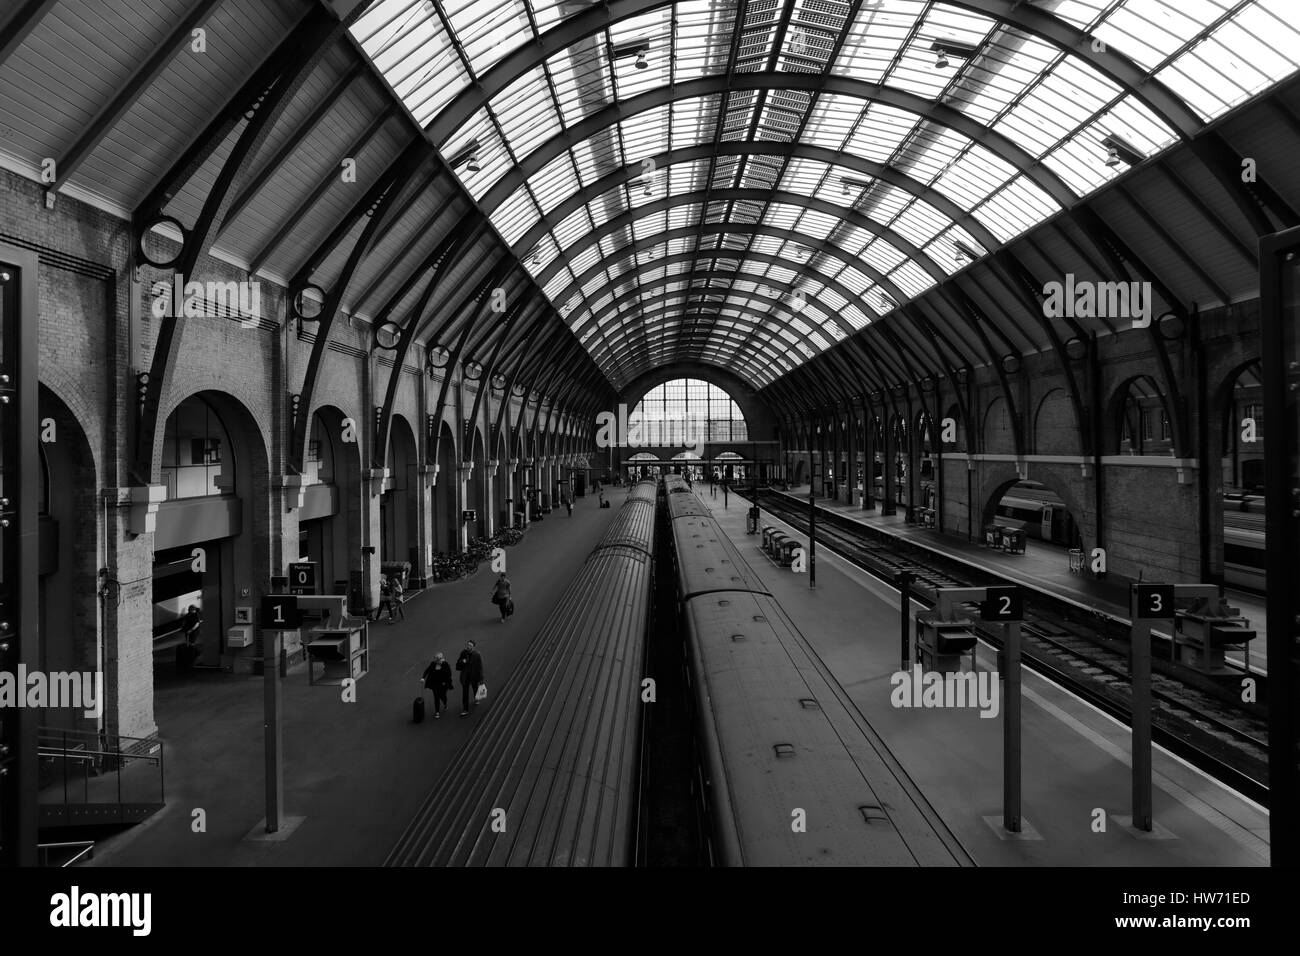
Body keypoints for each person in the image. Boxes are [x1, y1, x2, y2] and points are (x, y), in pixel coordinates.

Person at [420, 652, 454, 718]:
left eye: (437, 659)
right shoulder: (433, 664)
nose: (436, 660)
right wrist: (423, 678)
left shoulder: (445, 664)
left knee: (443, 696)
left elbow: (449, 674)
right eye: (435, 659)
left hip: (443, 684)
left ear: (441, 659)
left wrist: (442, 665)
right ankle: (437, 712)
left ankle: (445, 703)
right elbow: (427, 670)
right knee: (436, 697)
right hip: (435, 684)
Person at [456, 640, 485, 716]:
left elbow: (480, 667)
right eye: (468, 645)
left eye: (470, 645)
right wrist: (463, 661)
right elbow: (458, 663)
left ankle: (476, 698)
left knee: (475, 688)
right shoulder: (463, 653)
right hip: (465, 676)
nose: (468, 646)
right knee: (465, 693)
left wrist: (481, 678)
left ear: (473, 647)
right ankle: (465, 709)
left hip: (474, 676)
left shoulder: (477, 655)